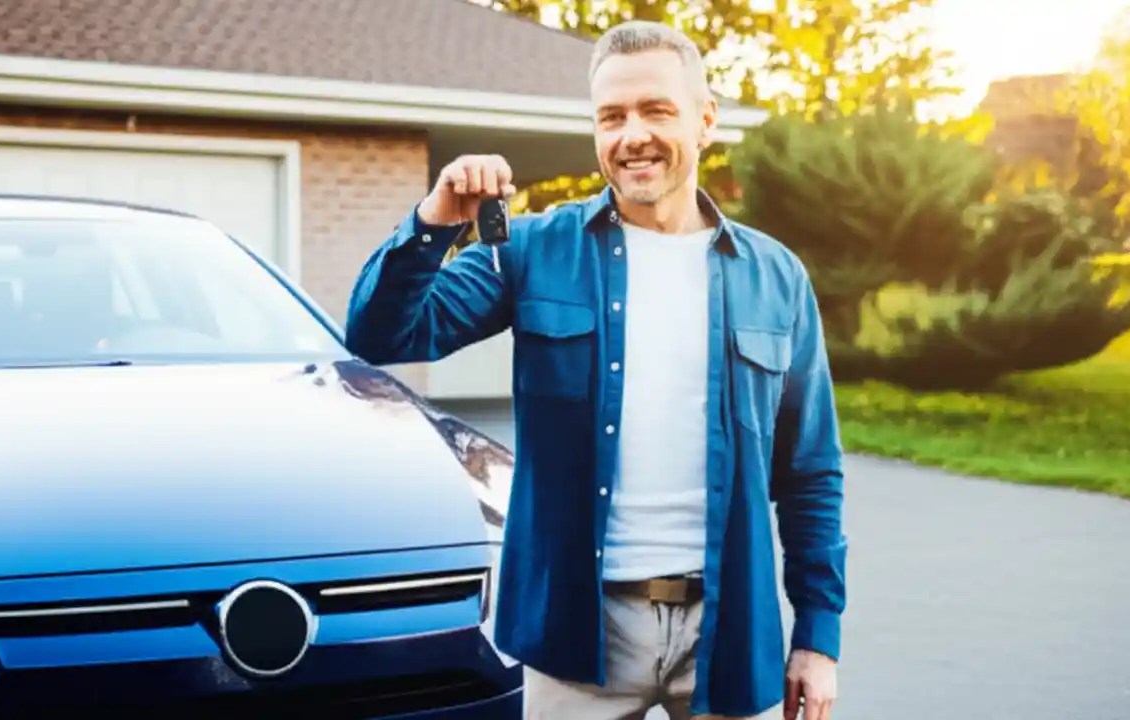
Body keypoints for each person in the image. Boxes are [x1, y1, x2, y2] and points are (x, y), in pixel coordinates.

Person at [343, 19, 846, 720]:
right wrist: (437, 221)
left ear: (704, 121)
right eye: (612, 116)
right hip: (579, 631)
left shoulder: (775, 277)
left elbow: (812, 470)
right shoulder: (529, 249)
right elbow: (381, 334)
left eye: (656, 110)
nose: (632, 134)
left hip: (728, 631)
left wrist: (818, 637)